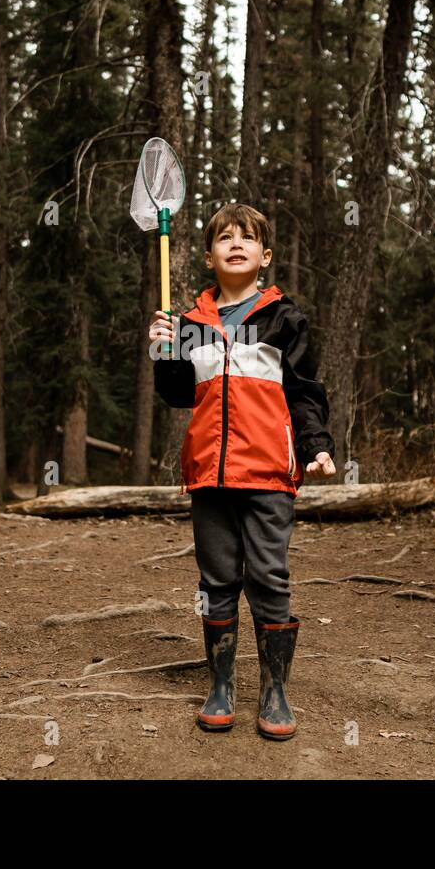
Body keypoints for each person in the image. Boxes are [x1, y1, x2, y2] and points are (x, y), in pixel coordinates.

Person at [148, 203, 335, 739]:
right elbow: (179, 394)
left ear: (264, 255)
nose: (236, 244)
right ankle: (221, 685)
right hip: (208, 474)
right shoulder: (190, 323)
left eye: (247, 238)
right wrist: (164, 352)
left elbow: (303, 393)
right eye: (224, 238)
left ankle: (275, 690)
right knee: (216, 580)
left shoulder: (284, 319)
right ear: (209, 257)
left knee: (270, 578)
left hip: (270, 473)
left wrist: (316, 445)